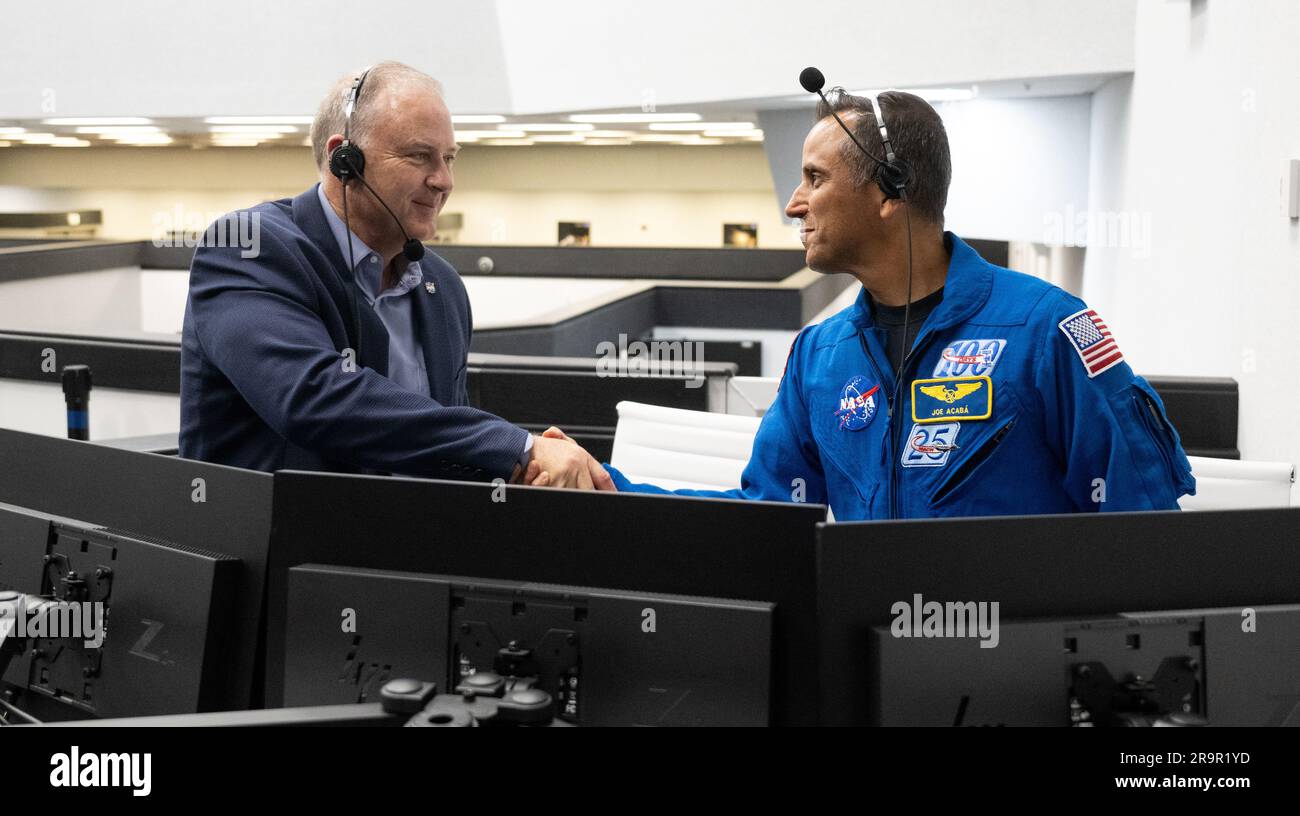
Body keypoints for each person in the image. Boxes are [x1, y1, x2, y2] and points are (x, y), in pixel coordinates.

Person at [587, 88, 1194, 519]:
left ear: (889, 190)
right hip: (868, 664)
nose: (794, 204)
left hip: (1007, 675)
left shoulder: (1048, 329)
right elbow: (767, 518)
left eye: (815, 178)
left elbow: (1142, 524)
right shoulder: (819, 356)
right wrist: (605, 493)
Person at [180, 62, 611, 491]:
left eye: (449, 159)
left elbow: (440, 443)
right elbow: (315, 400)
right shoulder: (247, 247)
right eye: (420, 156)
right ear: (343, 160)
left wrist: (533, 463)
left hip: (412, 545)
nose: (444, 181)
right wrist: (516, 446)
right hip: (275, 547)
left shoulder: (441, 286)